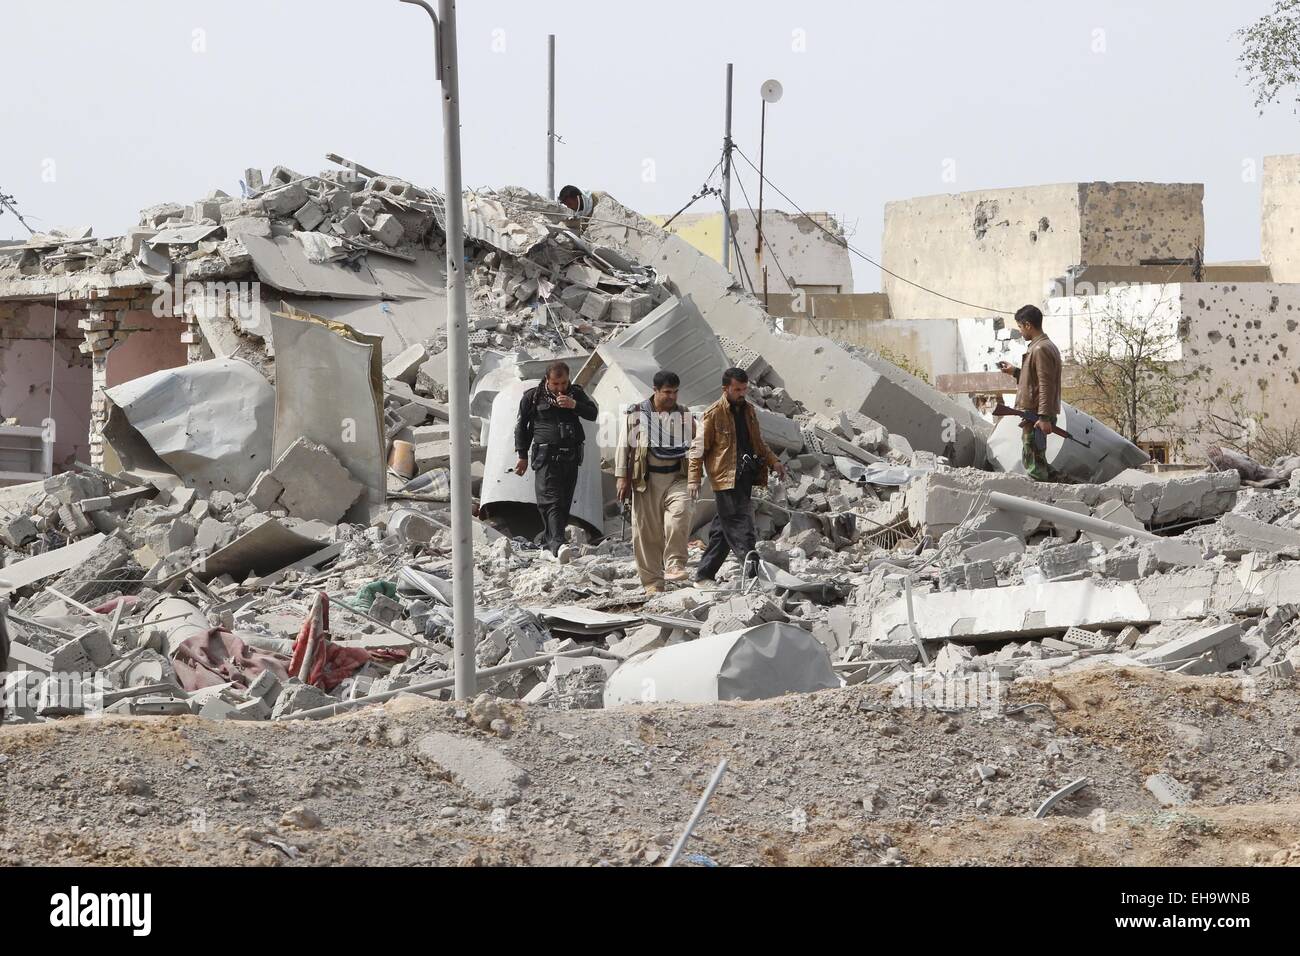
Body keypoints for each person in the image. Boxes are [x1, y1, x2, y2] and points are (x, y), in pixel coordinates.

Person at [688, 367, 787, 583]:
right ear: (726, 389)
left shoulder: (749, 411)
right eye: (737, 389)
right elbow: (697, 449)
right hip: (725, 479)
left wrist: (774, 461)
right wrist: (694, 478)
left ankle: (704, 574)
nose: (742, 393)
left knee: (723, 530)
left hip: (745, 477)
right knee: (742, 527)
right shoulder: (713, 414)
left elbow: (758, 443)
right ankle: (753, 573)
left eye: (744, 389)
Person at [615, 370, 696, 592]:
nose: (672, 397)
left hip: (676, 478)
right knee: (646, 533)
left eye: (675, 392)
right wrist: (622, 477)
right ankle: (652, 583)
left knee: (680, 515)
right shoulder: (638, 414)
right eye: (667, 392)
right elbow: (624, 446)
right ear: (655, 390)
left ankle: (675, 564)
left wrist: (697, 477)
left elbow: (697, 445)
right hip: (646, 480)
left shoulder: (684, 414)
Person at [514, 361, 598, 560]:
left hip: (571, 456)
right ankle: (559, 544)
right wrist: (521, 455)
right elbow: (521, 428)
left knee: (564, 501)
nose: (560, 388)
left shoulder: (575, 393)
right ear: (547, 380)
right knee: (551, 501)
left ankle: (548, 546)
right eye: (556, 384)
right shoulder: (533, 397)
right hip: (546, 457)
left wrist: (574, 405)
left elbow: (592, 413)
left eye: (563, 383)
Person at [997, 304, 1063, 482]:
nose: (1020, 331)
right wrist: (1015, 372)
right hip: (1036, 414)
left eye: (1019, 326)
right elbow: (1035, 380)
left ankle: (1041, 500)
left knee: (1033, 462)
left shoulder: (1040, 349)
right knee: (1037, 459)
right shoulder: (1041, 346)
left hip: (1036, 415)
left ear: (1028, 325)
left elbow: (1045, 385)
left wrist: (1043, 417)